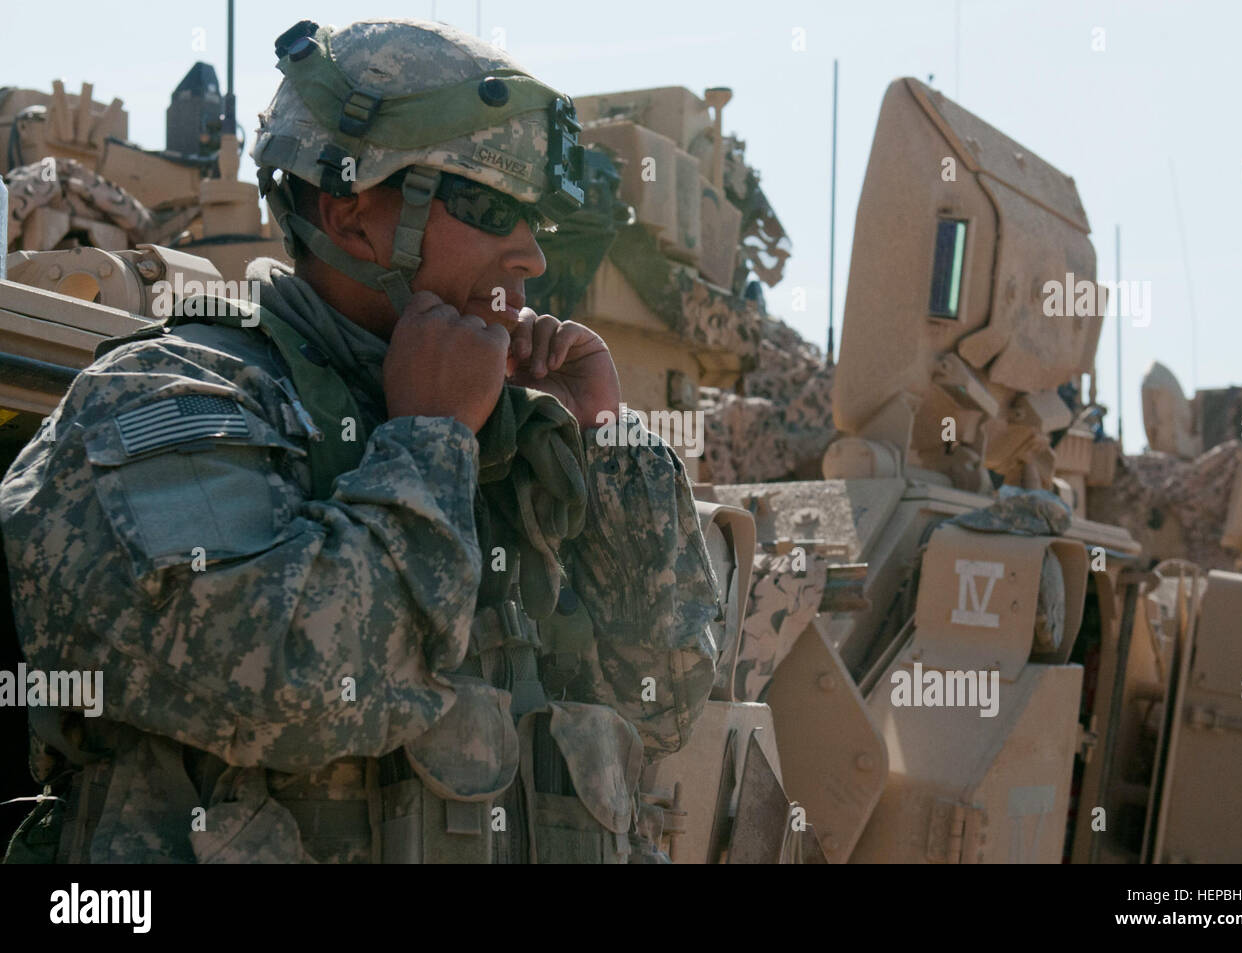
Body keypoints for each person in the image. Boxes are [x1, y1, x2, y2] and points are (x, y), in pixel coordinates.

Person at [0, 18, 720, 864]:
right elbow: (284, 691)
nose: (528, 255)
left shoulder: (507, 429)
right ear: (350, 216)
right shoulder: (169, 399)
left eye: (531, 220)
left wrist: (604, 440)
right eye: (490, 207)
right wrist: (430, 439)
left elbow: (664, 699)